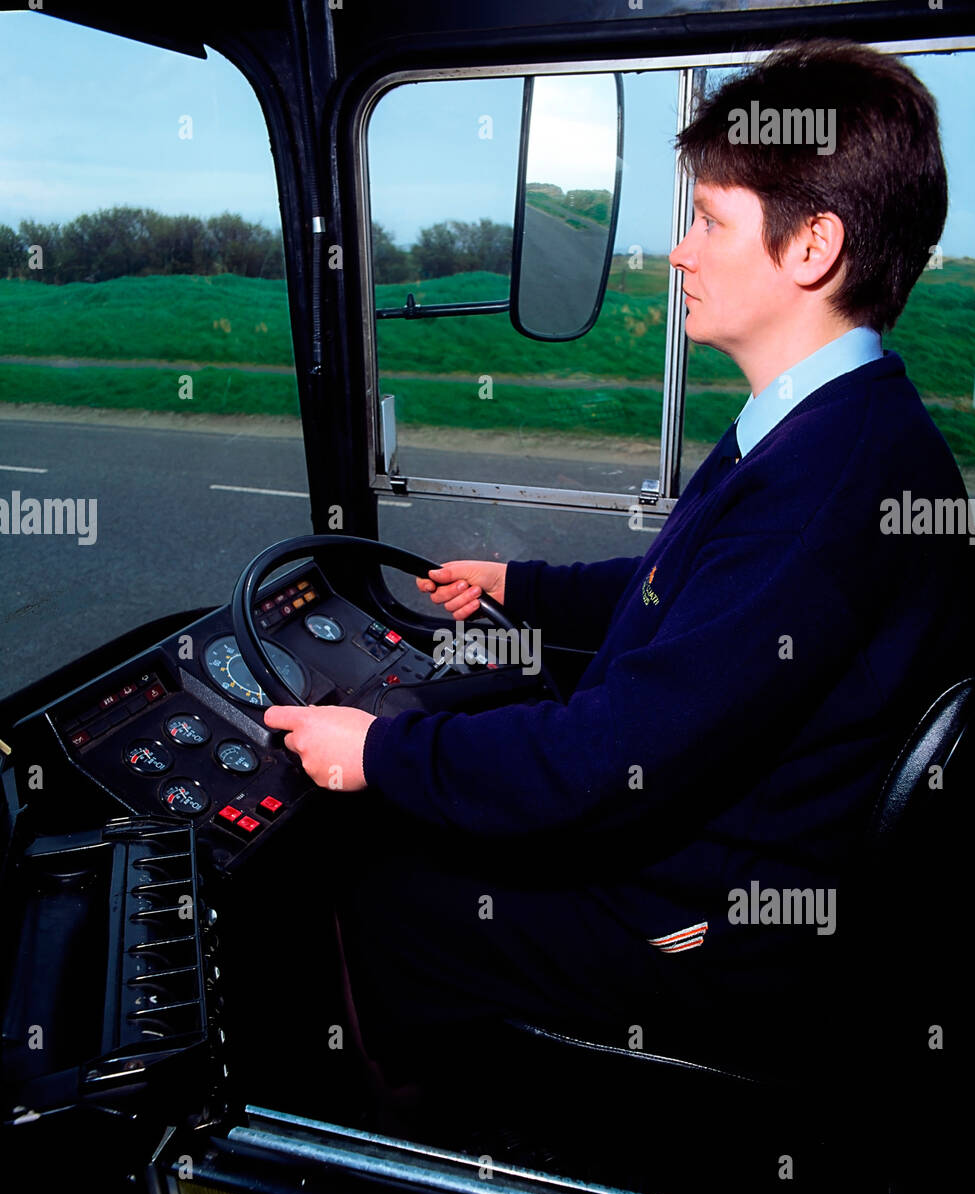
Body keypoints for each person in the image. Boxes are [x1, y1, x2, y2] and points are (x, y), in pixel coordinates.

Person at [265, 40, 973, 1086]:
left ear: (812, 246)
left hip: (706, 927)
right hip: (736, 869)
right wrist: (523, 588)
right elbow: (692, 601)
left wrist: (379, 754)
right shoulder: (840, 425)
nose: (679, 253)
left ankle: (373, 1140)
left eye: (710, 222)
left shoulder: (823, 486)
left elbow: (609, 763)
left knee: (368, 873)